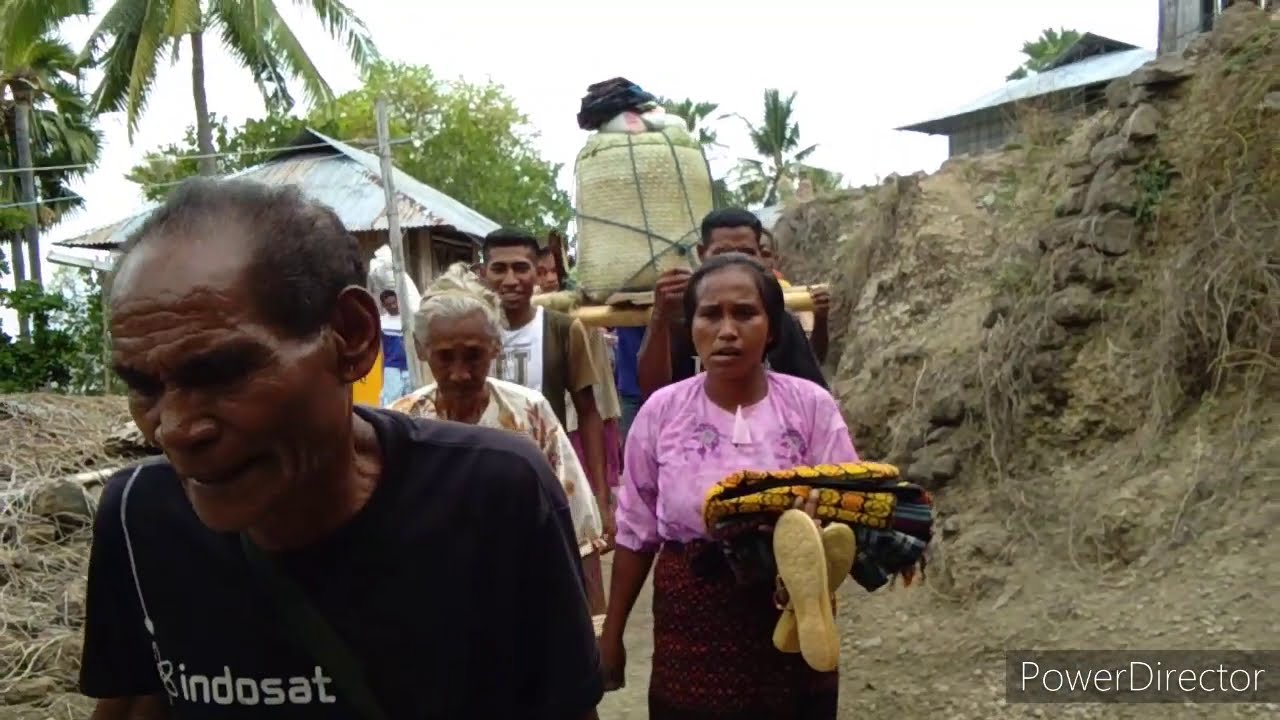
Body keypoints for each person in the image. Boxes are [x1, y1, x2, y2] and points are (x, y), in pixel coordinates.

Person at [79, 178, 602, 720]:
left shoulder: (496, 495)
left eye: (223, 373)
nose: (175, 429)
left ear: (351, 339)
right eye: (143, 387)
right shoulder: (141, 518)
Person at [600, 254, 860, 719]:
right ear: (690, 326)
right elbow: (635, 532)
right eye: (710, 314)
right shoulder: (663, 413)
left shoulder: (810, 407)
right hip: (692, 623)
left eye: (745, 313)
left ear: (773, 328)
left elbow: (848, 506)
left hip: (792, 613)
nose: (727, 330)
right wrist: (612, 635)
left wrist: (818, 527)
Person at [389, 262, 609, 613]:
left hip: (523, 599)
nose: (460, 374)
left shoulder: (530, 413)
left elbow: (580, 531)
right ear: (422, 349)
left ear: (496, 348)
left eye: (474, 355)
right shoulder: (401, 421)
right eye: (444, 357)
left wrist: (596, 626)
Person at [481, 228, 613, 537]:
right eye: (499, 269)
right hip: (481, 480)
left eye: (521, 268)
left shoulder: (564, 330)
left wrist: (600, 498)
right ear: (483, 274)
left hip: (546, 480)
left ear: (537, 274)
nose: (510, 280)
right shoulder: (470, 330)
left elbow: (589, 412)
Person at [637, 208, 828, 398]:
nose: (734, 263)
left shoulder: (779, 318)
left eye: (746, 253)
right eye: (722, 253)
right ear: (702, 253)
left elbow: (811, 393)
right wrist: (660, 316)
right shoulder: (676, 317)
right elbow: (652, 390)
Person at [761, 229, 830, 365]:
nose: (758, 260)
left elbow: (815, 358)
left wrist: (820, 318)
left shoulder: (794, 298)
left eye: (765, 254)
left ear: (776, 260)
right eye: (750, 252)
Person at [377, 289, 412, 406]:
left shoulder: (408, 318)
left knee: (411, 401)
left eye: (394, 302)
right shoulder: (382, 322)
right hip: (392, 367)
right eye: (389, 305)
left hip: (410, 366)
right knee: (392, 401)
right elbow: (381, 349)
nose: (393, 306)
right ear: (383, 305)